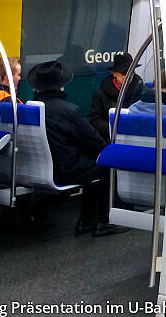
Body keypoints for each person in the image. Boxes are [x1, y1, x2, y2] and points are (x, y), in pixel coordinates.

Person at [27, 60, 128, 237]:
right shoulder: (69, 110)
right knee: (106, 166)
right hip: (66, 169)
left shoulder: (31, 107)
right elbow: (93, 141)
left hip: (44, 167)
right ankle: (102, 222)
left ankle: (87, 222)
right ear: (61, 85)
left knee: (93, 166)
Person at [88, 53, 144, 142]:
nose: (128, 76)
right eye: (124, 72)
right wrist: (114, 129)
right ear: (114, 73)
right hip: (110, 139)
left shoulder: (142, 91)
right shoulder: (100, 94)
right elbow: (94, 119)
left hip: (136, 138)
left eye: (132, 72)